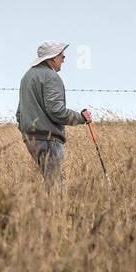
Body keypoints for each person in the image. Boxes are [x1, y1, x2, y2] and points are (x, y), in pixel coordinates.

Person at [16, 40, 91, 182]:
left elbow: (20, 113)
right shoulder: (51, 77)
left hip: (31, 139)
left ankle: (45, 204)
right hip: (48, 139)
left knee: (50, 181)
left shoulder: (27, 77)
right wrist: (81, 118)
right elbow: (56, 111)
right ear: (52, 58)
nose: (64, 59)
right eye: (61, 56)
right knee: (56, 186)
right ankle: (55, 205)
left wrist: (28, 132)